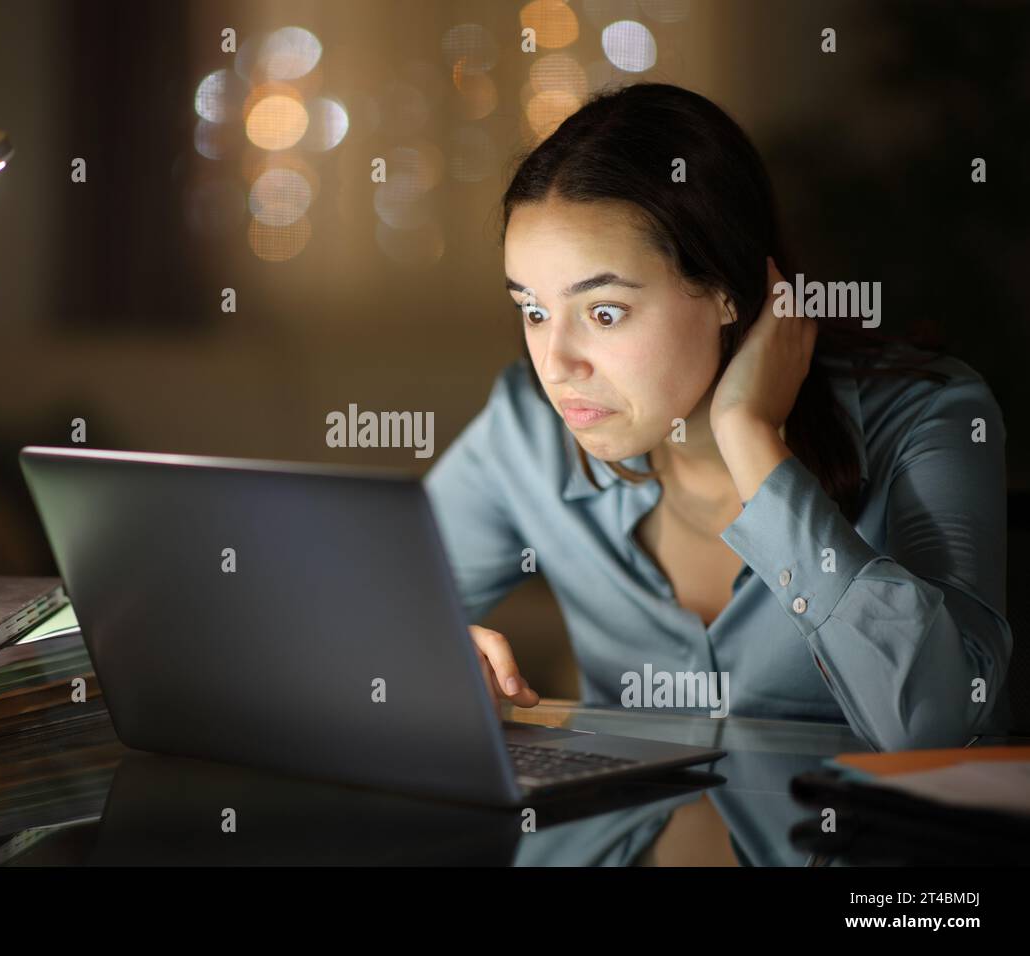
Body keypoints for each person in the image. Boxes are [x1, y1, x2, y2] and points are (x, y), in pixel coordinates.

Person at [424, 83, 1011, 752]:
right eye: (533, 311)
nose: (556, 364)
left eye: (605, 312)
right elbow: (356, 616)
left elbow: (935, 730)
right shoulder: (527, 430)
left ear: (729, 294)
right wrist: (415, 651)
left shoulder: (928, 416)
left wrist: (751, 438)